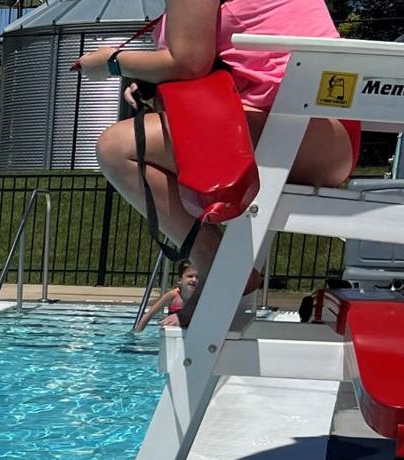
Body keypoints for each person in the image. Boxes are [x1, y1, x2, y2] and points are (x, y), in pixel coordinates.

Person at [77, 0, 360, 321]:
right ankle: (225, 268)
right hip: (326, 132)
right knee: (134, 143)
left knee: (119, 148)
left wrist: (112, 62)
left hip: (300, 130)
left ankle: (219, 267)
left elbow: (189, 62)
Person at [134, 259, 200, 331]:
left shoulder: (200, 296)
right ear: (180, 280)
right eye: (190, 276)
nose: (194, 279)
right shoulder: (173, 295)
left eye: (197, 277)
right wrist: (137, 333)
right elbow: (149, 314)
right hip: (172, 331)